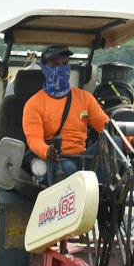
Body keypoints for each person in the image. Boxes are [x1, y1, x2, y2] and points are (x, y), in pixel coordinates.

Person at [22, 45, 110, 182]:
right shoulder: (34, 104)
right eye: (55, 64)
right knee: (69, 169)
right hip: (56, 159)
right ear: (45, 69)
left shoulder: (84, 98)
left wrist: (132, 141)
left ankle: (105, 193)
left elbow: (107, 128)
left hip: (83, 157)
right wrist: (47, 151)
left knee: (113, 142)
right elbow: (34, 139)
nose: (61, 69)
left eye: (64, 64)